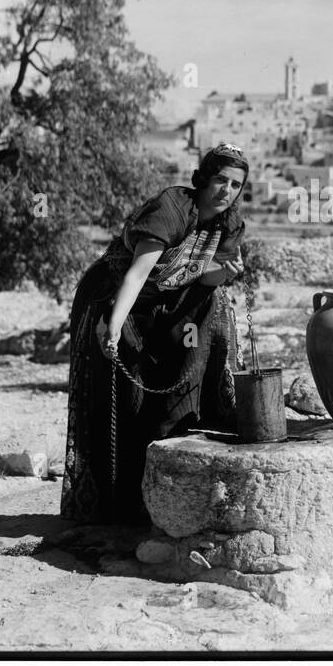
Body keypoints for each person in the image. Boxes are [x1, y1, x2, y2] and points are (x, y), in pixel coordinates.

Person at [61, 143, 250, 526]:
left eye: (235, 185)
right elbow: (137, 273)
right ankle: (114, 512)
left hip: (166, 305)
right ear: (203, 179)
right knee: (121, 399)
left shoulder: (229, 224)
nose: (226, 191)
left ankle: (162, 499)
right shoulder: (174, 208)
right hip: (116, 299)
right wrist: (112, 326)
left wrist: (226, 273)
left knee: (173, 379)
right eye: (219, 180)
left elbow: (206, 277)